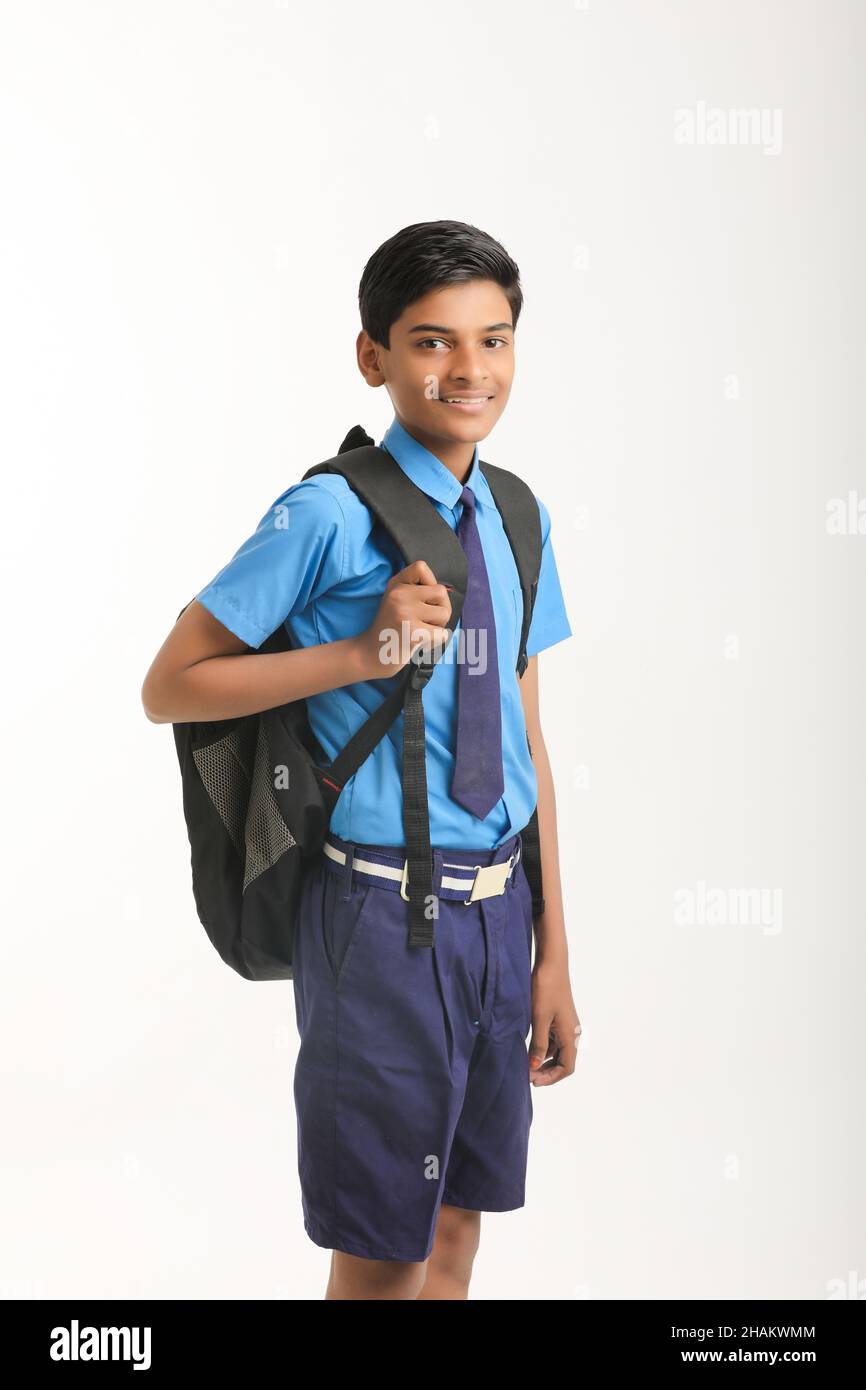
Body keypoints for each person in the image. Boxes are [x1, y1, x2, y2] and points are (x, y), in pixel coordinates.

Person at [142, 219, 581, 1300]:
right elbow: (171, 683)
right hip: (379, 921)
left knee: (453, 1233)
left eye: (494, 339)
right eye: (431, 341)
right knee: (383, 1251)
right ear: (372, 357)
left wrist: (551, 951)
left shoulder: (516, 517)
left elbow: (528, 745)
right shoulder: (328, 513)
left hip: (494, 919)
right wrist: (359, 652)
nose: (468, 370)